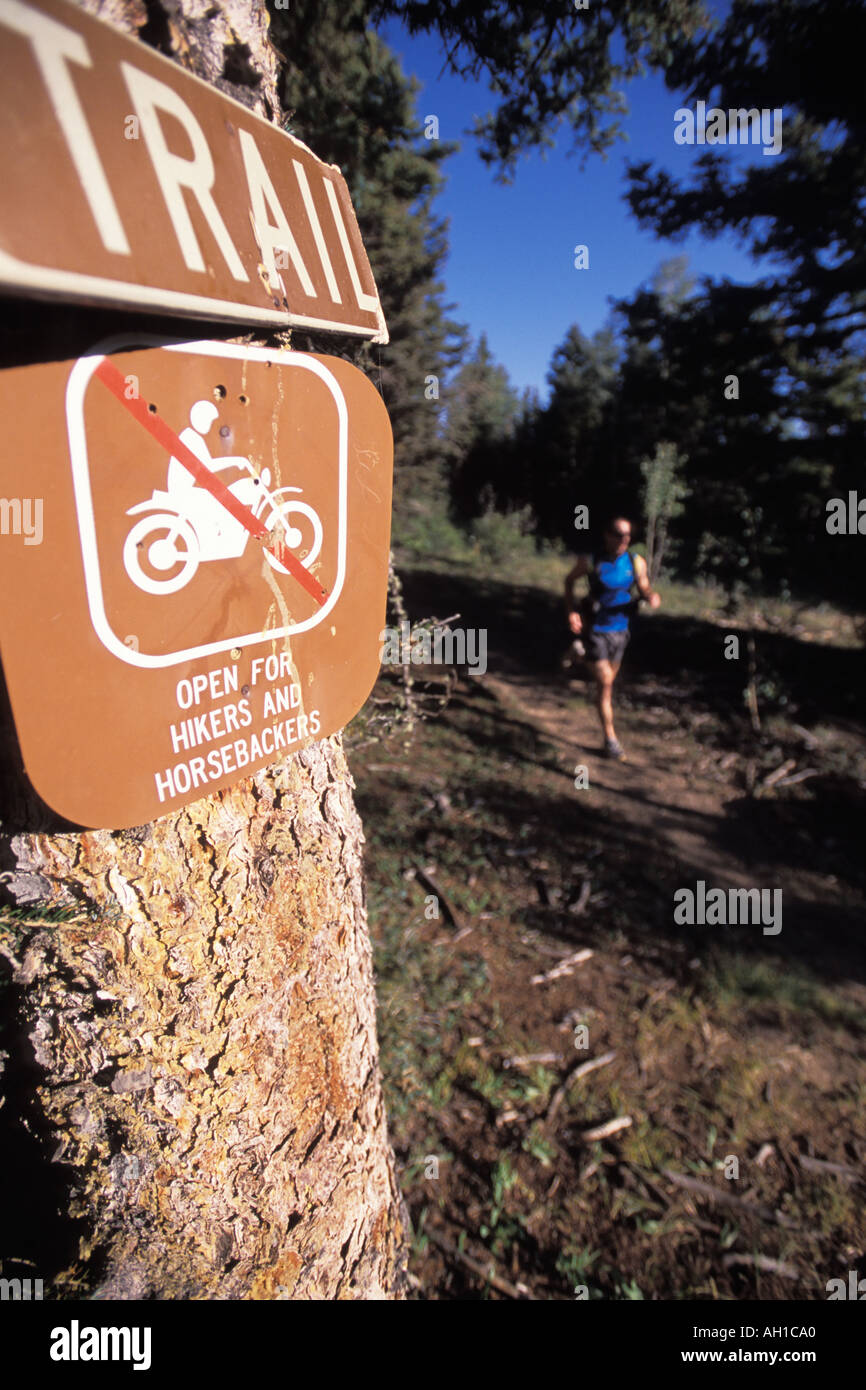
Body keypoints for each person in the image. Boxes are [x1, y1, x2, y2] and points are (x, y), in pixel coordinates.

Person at [563, 516, 660, 760]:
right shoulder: (591, 560)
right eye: (618, 534)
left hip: (621, 632)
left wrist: (650, 595)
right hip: (596, 630)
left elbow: (644, 586)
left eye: (628, 535)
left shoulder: (635, 561)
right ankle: (610, 739)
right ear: (607, 534)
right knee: (605, 682)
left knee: (605, 687)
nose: (624, 539)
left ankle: (578, 653)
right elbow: (568, 582)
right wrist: (572, 611)